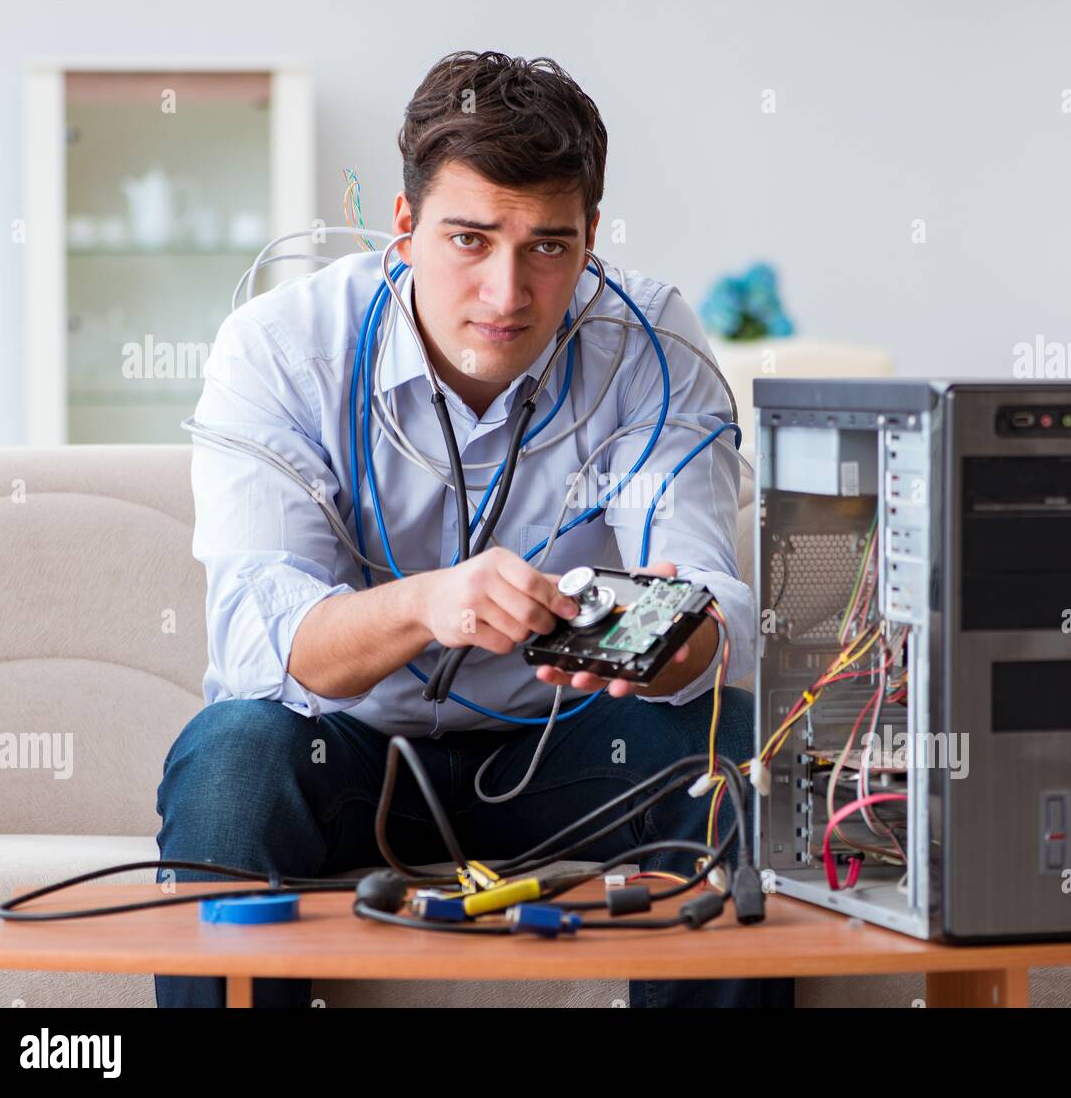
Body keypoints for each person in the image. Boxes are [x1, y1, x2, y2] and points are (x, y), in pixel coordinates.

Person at [155, 49, 793, 1009]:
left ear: (590, 242)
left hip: (569, 746)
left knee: (730, 749)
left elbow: (716, 617)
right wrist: (425, 605)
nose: (507, 293)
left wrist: (661, 636)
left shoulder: (648, 344)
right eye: (470, 239)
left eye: (547, 246)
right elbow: (258, 643)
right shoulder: (284, 347)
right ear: (403, 229)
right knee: (231, 758)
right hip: (348, 753)